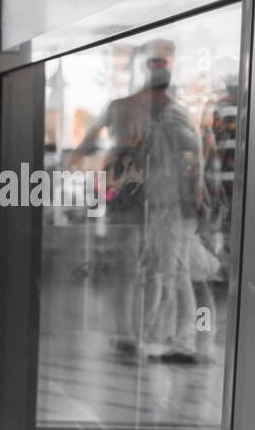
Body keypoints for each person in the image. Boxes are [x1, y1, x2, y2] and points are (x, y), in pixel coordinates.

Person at [71, 39, 204, 363]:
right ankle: (143, 335)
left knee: (171, 273)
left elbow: (194, 160)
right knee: (146, 272)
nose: (158, 72)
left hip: (171, 206)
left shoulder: (176, 114)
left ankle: (178, 340)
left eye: (163, 65)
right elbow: (93, 144)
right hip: (145, 204)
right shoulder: (129, 109)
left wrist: (194, 199)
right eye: (153, 65)